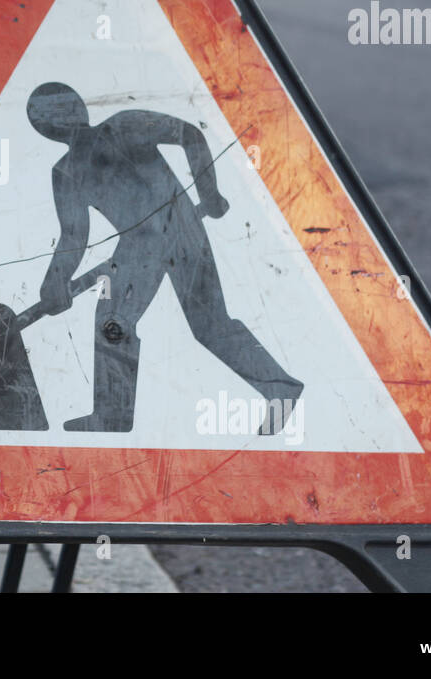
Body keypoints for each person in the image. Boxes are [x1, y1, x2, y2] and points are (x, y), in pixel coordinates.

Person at [29, 82, 303, 434]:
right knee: (135, 321)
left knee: (175, 324)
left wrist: (210, 193)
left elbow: (189, 135)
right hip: (154, 238)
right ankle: (114, 414)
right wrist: (55, 281)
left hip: (167, 233)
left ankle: (279, 388)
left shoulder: (117, 131)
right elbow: (73, 235)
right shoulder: (74, 164)